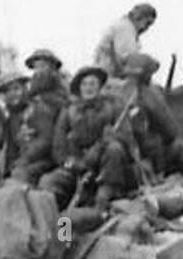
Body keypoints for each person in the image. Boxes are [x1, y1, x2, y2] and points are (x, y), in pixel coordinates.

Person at [39, 66, 129, 210]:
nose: (89, 88)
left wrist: (106, 142)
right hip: (77, 168)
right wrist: (73, 164)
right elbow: (58, 148)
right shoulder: (69, 111)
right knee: (47, 182)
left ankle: (103, 200)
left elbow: (126, 136)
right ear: (79, 88)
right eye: (84, 84)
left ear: (99, 87)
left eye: (93, 84)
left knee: (115, 148)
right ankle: (59, 224)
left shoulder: (112, 107)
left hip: (105, 170)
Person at [110, 53, 183, 180]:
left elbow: (170, 129)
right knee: (180, 147)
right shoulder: (146, 95)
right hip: (137, 160)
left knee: (178, 146)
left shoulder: (119, 92)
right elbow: (170, 129)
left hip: (143, 157)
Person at [9, 50, 70, 185]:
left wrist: (26, 157)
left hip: (52, 157)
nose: (39, 71)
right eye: (36, 67)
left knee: (22, 174)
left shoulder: (59, 98)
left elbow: (46, 139)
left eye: (43, 66)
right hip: (33, 153)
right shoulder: (32, 98)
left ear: (52, 68)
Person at [93, 2, 157, 87]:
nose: (146, 28)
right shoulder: (126, 29)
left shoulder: (127, 28)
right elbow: (128, 59)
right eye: (147, 23)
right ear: (138, 18)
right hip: (108, 79)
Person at [0, 71, 31, 173]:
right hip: (19, 165)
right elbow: (10, 149)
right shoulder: (9, 120)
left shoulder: (35, 111)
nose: (13, 94)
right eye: (8, 91)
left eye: (16, 89)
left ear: (25, 90)